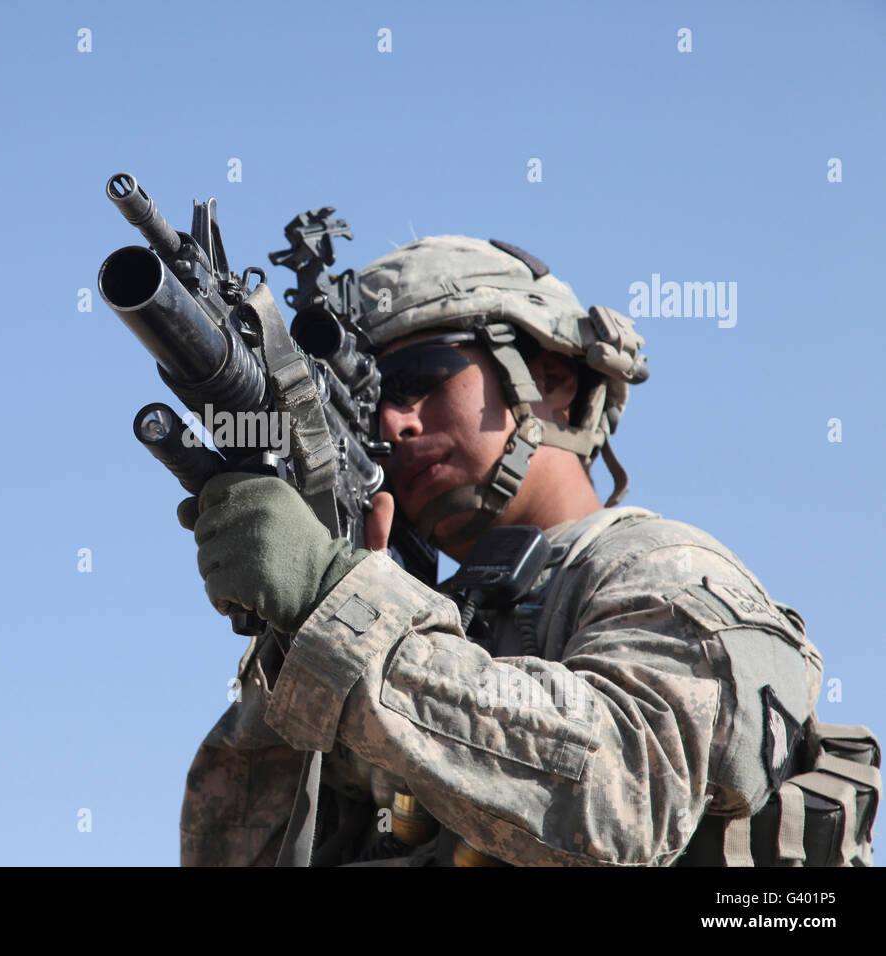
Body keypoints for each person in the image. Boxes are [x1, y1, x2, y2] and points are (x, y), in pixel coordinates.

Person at [176, 235, 874, 867]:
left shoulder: (665, 568)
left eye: (423, 378)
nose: (395, 421)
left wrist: (340, 605)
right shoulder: (417, 618)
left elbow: (621, 803)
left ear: (550, 378)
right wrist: (297, 637)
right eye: (372, 407)